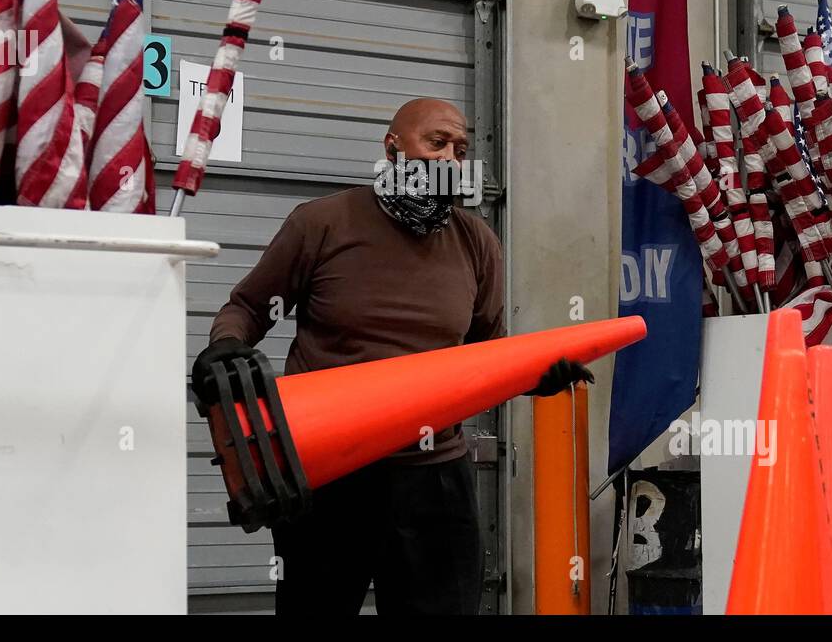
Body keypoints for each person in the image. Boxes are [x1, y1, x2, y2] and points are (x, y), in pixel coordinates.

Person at [203, 97, 592, 615]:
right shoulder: (323, 224)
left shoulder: (476, 242)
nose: (450, 160)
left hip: (435, 480)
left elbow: (487, 350)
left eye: (460, 149)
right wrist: (226, 347)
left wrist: (532, 375)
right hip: (331, 475)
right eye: (436, 144)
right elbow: (248, 307)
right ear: (392, 147)